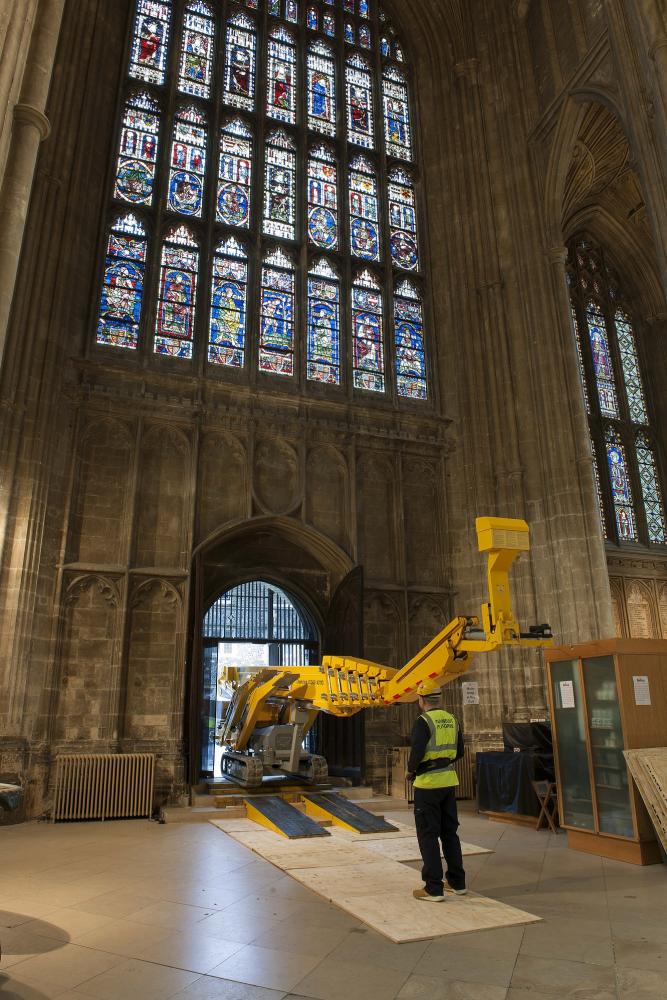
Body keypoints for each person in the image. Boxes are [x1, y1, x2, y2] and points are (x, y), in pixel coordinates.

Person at [407, 680, 467, 902]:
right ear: (438, 698)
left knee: (428, 834)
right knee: (450, 832)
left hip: (428, 785)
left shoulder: (423, 722)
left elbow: (417, 752)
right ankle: (457, 882)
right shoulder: (453, 720)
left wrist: (410, 771)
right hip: (449, 781)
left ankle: (433, 887)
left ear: (421, 700)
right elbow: (460, 751)